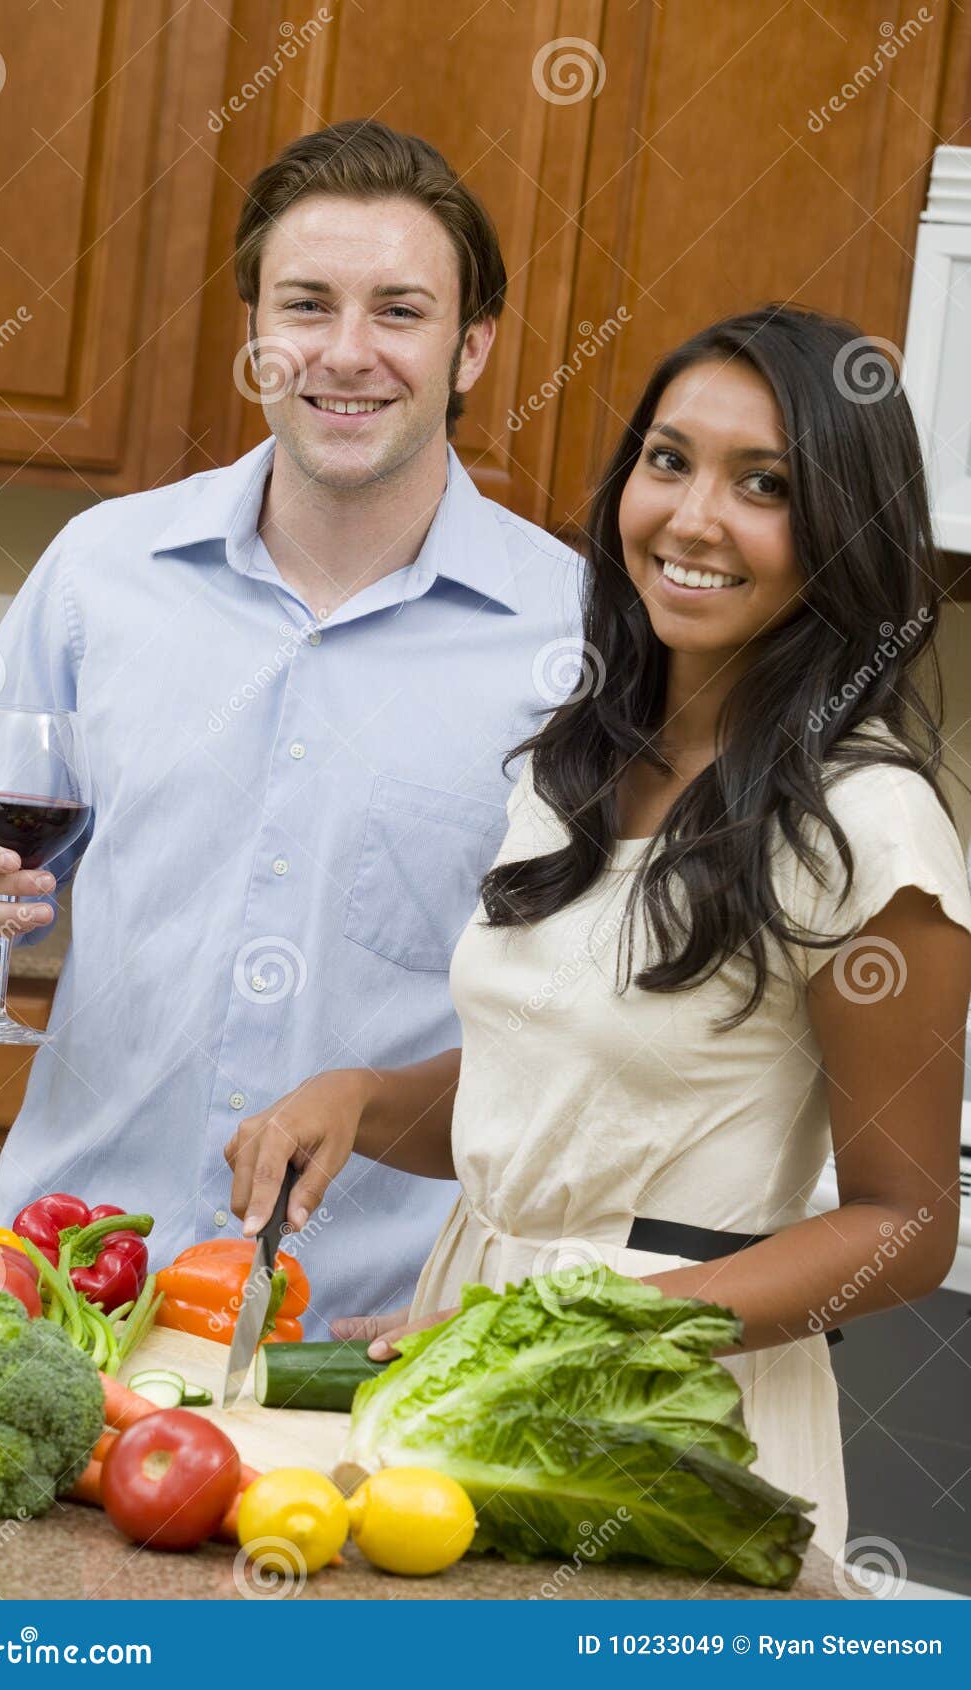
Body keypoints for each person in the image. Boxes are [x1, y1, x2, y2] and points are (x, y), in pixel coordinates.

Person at [228, 304, 971, 1558]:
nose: (689, 517)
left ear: (843, 531)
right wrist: (356, 1098)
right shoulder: (579, 761)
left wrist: (590, 1326)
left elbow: (903, 1224)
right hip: (466, 1366)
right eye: (668, 459)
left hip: (665, 1412)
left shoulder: (868, 828)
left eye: (765, 485)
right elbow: (576, 1083)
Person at [0, 120, 581, 1336]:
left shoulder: (576, 639)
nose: (344, 353)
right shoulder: (103, 569)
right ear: (255, 334)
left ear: (471, 348)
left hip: (360, 1336)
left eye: (398, 311)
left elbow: (580, 1030)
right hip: (57, 1288)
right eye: (305, 305)